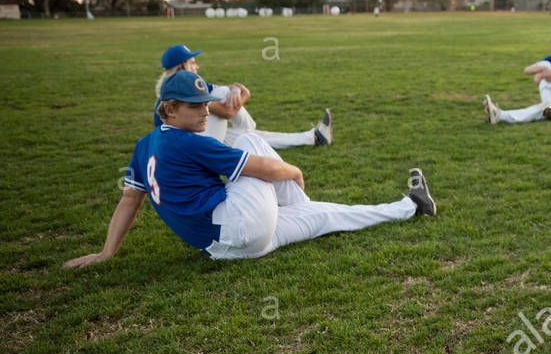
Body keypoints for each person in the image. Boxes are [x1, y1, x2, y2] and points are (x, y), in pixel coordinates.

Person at [64, 71, 435, 268]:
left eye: (205, 103)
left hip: (227, 249)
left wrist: (107, 252)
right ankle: (298, 199)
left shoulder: (145, 145)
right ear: (168, 110)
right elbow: (262, 168)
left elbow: (130, 199)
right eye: (195, 106)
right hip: (239, 224)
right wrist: (293, 171)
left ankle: (412, 205)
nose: (206, 110)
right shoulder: (186, 140)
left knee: (325, 216)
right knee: (247, 142)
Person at [157, 44, 332, 148]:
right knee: (224, 96)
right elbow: (227, 113)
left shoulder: (181, 84)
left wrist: (235, 90)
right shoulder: (180, 92)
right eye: (193, 63)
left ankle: (314, 137)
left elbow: (233, 92)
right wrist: (239, 93)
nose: (197, 67)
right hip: (189, 146)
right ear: (182, 66)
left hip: (197, 137)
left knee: (250, 137)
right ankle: (250, 130)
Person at [483, 30, 551, 124]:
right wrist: (544, 70)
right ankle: (548, 106)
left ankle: (500, 115)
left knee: (540, 109)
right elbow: (527, 70)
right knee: (545, 66)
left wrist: (544, 75)